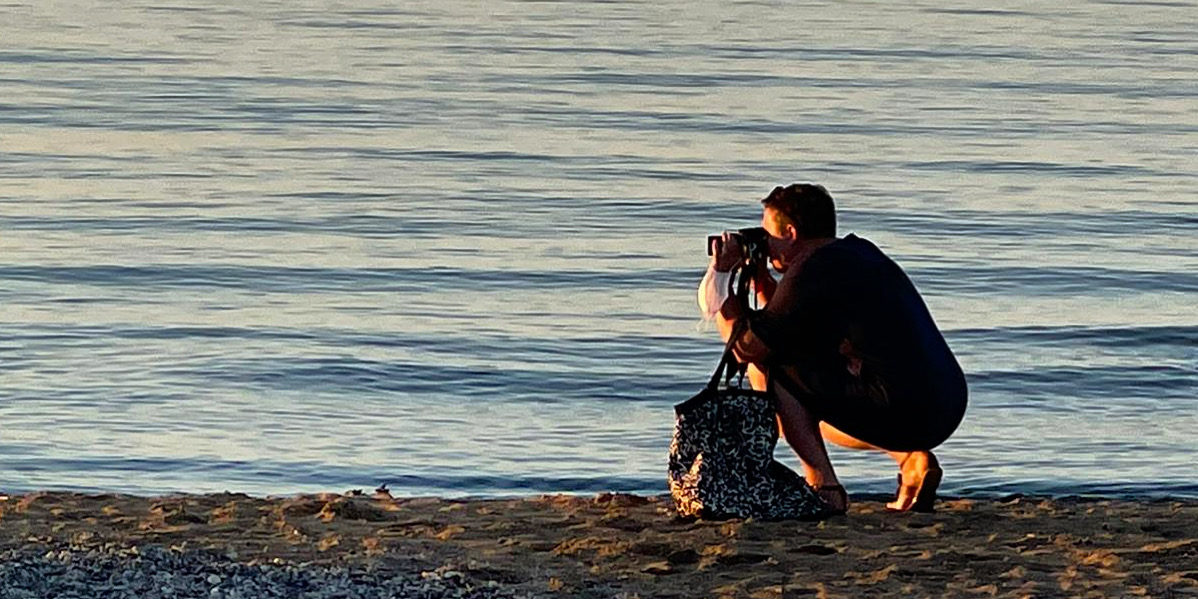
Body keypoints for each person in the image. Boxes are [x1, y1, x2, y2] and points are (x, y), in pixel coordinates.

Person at [701, 183, 967, 513]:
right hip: (946, 405)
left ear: (791, 233)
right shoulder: (857, 254)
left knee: (769, 371)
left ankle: (823, 486)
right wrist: (762, 281)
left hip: (906, 409)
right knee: (801, 382)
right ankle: (911, 459)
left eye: (768, 235)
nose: (765, 245)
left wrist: (723, 279)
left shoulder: (810, 272)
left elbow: (746, 349)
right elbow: (790, 326)